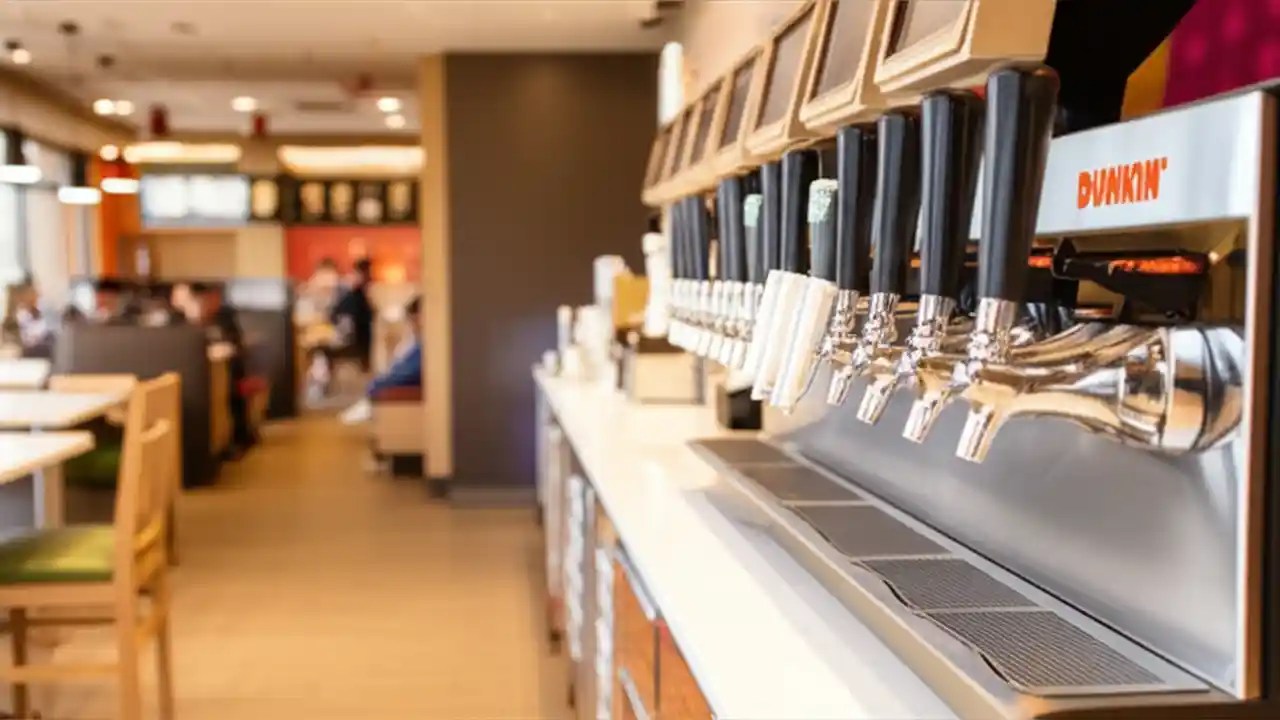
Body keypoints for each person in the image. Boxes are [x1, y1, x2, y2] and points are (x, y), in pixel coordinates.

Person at [340, 297, 421, 425]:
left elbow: (409, 371)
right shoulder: (417, 342)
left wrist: (382, 381)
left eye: (413, 319)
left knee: (377, 385)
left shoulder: (424, 345)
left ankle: (368, 406)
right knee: (378, 383)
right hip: (404, 376)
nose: (412, 324)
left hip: (410, 381)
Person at [330, 257, 375, 371]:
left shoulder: (359, 289)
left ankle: (364, 363)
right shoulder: (352, 289)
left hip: (358, 323)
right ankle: (364, 363)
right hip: (355, 324)